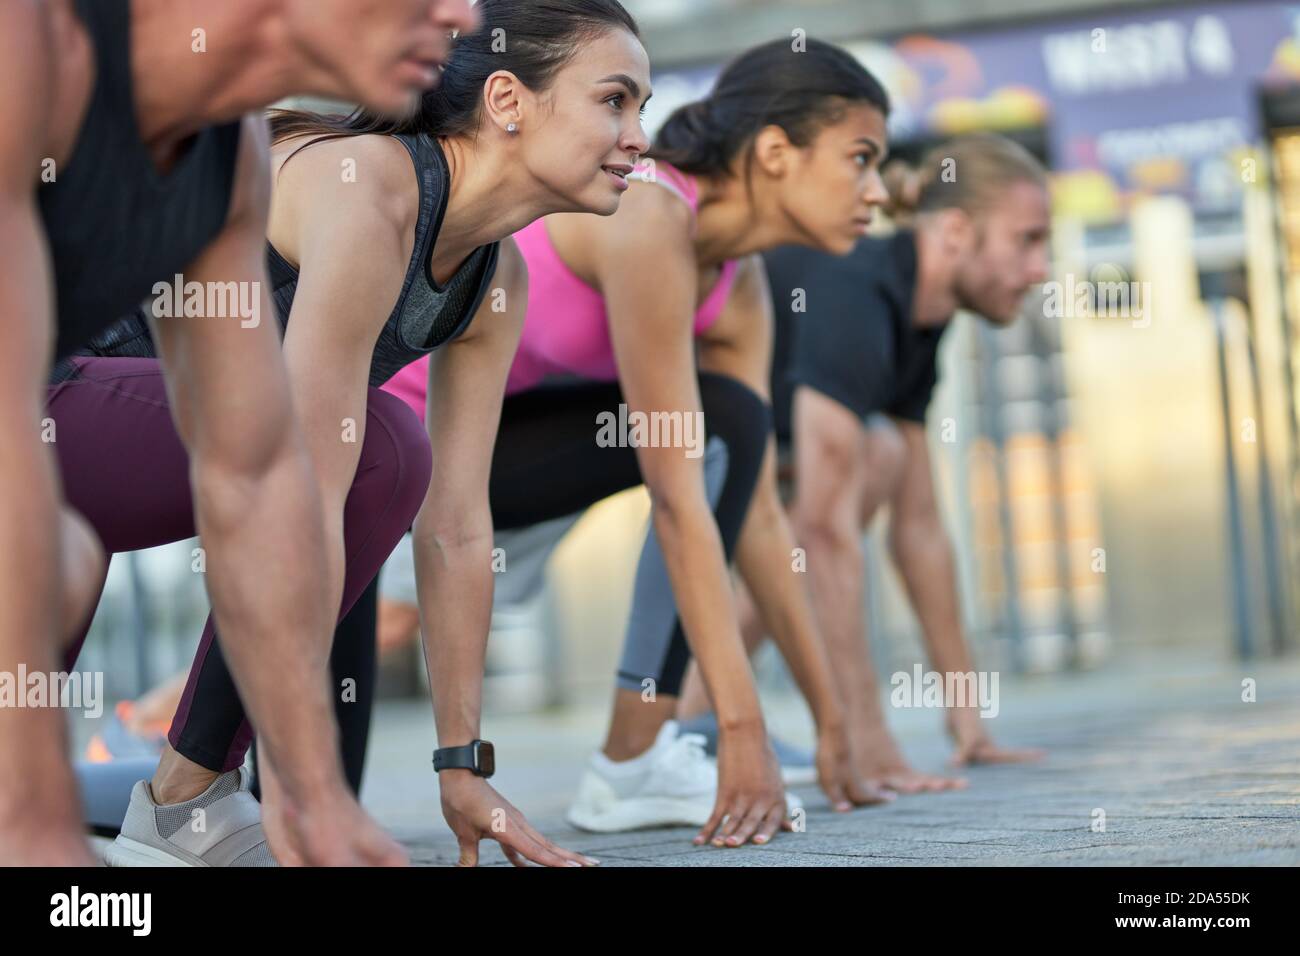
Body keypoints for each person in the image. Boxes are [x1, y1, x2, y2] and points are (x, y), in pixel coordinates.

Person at [66, 0, 649, 867]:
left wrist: (461, 767)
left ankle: (188, 804)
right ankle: (185, 806)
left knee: (381, 455)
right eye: (615, 101)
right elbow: (298, 493)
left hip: (123, 460)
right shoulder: (370, 187)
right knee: (376, 446)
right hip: (44, 413)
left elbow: (456, 529)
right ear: (507, 100)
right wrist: (310, 792)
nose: (639, 137)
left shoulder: (497, 282)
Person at [383, 37, 896, 848]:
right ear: (774, 153)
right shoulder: (650, 214)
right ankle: (632, 759)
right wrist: (741, 731)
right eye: (860, 159)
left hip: (501, 452)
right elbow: (677, 490)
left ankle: (635, 756)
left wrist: (836, 728)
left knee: (735, 427)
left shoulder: (740, 286)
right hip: (402, 443)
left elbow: (754, 511)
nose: (877, 193)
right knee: (720, 429)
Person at [2, 0, 478, 868]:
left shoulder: (233, 155)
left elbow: (252, 472)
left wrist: (308, 793)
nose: (464, 13)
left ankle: (177, 806)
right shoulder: (32, 47)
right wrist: (31, 821)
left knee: (363, 447)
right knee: (56, 553)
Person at [739, 134, 1053, 792]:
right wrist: (866, 742)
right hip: (631, 413)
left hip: (732, 449)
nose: (1041, 268)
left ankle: (690, 721)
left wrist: (968, 718)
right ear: (957, 231)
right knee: (869, 456)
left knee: (879, 454)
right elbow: (824, 532)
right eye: (1027, 240)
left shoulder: (922, 314)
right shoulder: (858, 287)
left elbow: (921, 529)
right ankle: (690, 719)